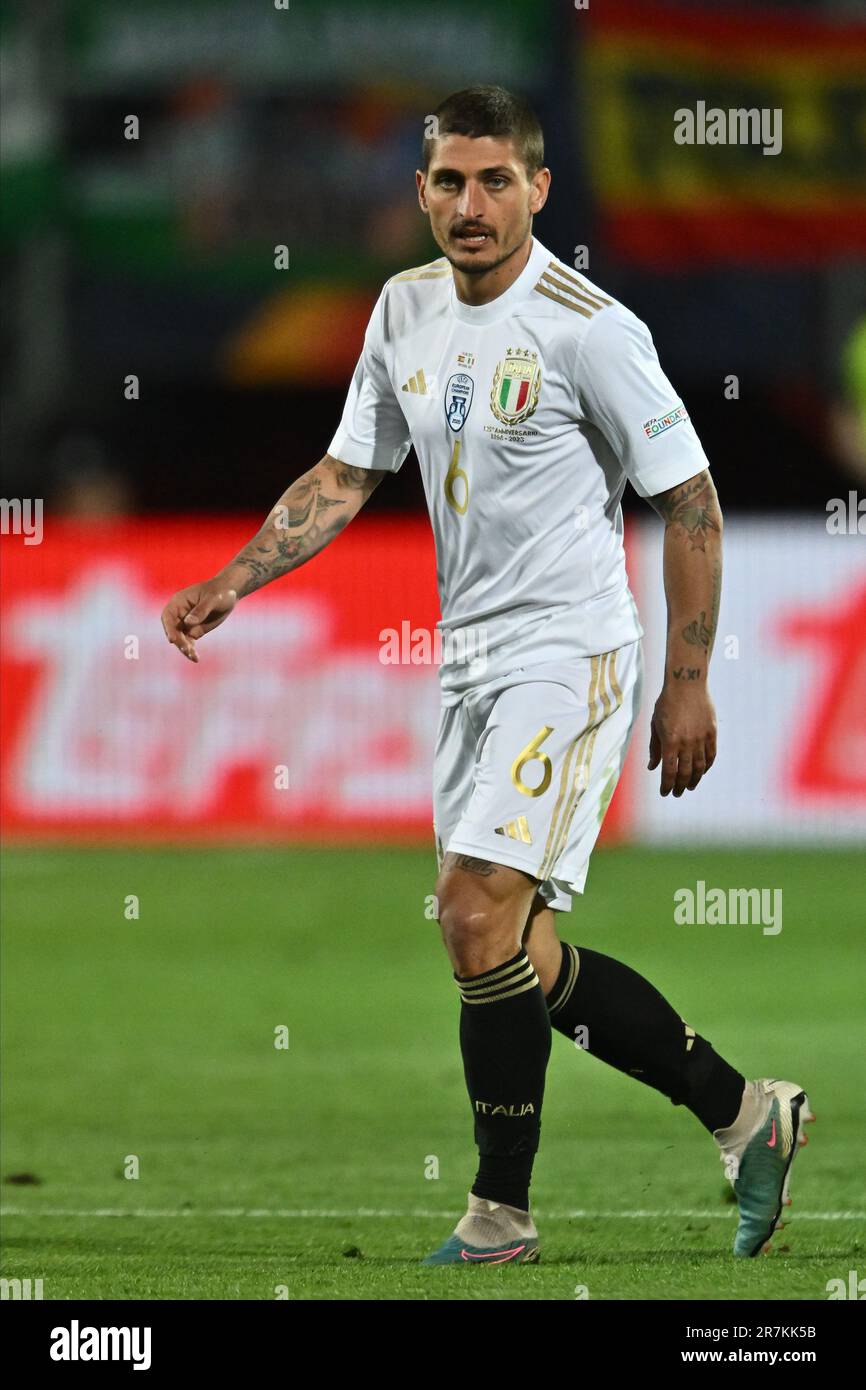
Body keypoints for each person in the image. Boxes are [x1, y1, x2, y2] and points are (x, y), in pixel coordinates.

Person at [161, 85, 813, 1265]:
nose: (471, 205)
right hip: (469, 659)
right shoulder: (403, 308)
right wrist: (237, 577)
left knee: (470, 914)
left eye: (495, 181)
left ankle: (497, 1218)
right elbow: (348, 472)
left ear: (538, 191)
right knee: (513, 952)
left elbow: (690, 500)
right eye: (450, 183)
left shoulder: (586, 327)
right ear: (419, 193)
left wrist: (686, 676)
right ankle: (742, 1110)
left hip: (570, 652)